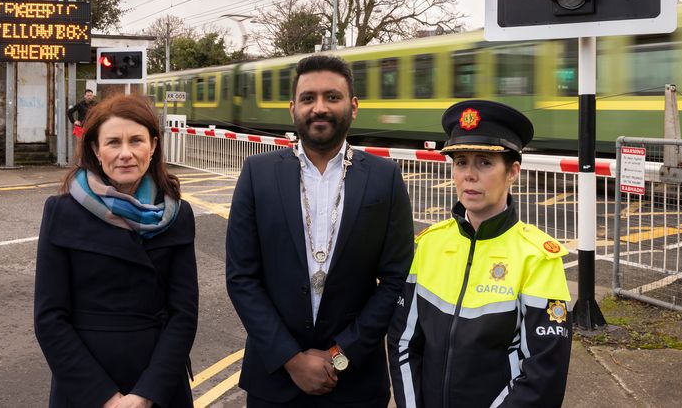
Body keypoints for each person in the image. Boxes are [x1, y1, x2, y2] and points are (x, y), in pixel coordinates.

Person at [226, 55, 414, 407]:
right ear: (292, 107)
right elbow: (241, 278)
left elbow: (395, 280)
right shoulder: (257, 174)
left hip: (355, 382)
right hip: (275, 380)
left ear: (353, 106)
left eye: (332, 96)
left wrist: (339, 357)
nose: (320, 108)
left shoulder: (385, 178)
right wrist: (292, 360)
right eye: (309, 98)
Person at [388, 100, 572, 408]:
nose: (469, 175)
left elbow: (543, 376)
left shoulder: (538, 258)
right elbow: (403, 343)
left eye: (485, 162)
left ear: (513, 171)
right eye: (461, 162)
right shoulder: (428, 245)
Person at [34, 94, 198, 408]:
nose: (125, 153)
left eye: (136, 141)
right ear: (96, 149)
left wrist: (145, 395)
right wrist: (105, 398)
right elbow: (50, 318)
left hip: (158, 384)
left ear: (152, 146)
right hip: (86, 387)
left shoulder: (178, 213)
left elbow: (183, 315)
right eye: (113, 142)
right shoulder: (61, 211)